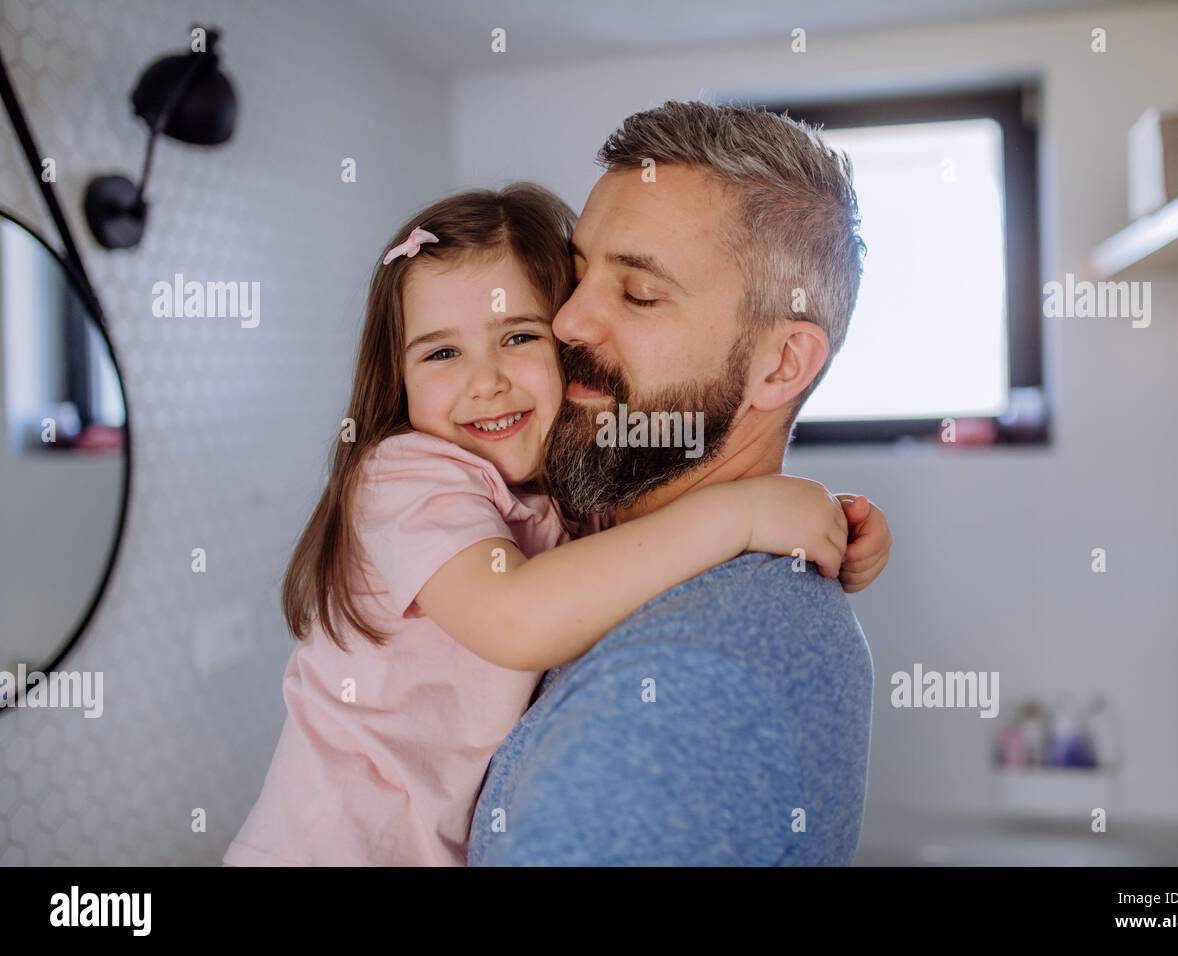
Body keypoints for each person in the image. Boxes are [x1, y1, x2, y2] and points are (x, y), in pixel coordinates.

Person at [224, 183, 888, 866]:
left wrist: (822, 518)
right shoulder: (405, 475)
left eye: (518, 337)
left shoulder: (572, 494)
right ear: (398, 377)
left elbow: (647, 547)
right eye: (441, 354)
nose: (485, 381)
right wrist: (743, 514)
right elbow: (516, 618)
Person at [469, 101, 887, 865]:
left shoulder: (681, 686)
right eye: (577, 274)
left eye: (639, 294)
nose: (566, 322)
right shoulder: (684, 557)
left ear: (782, 365)